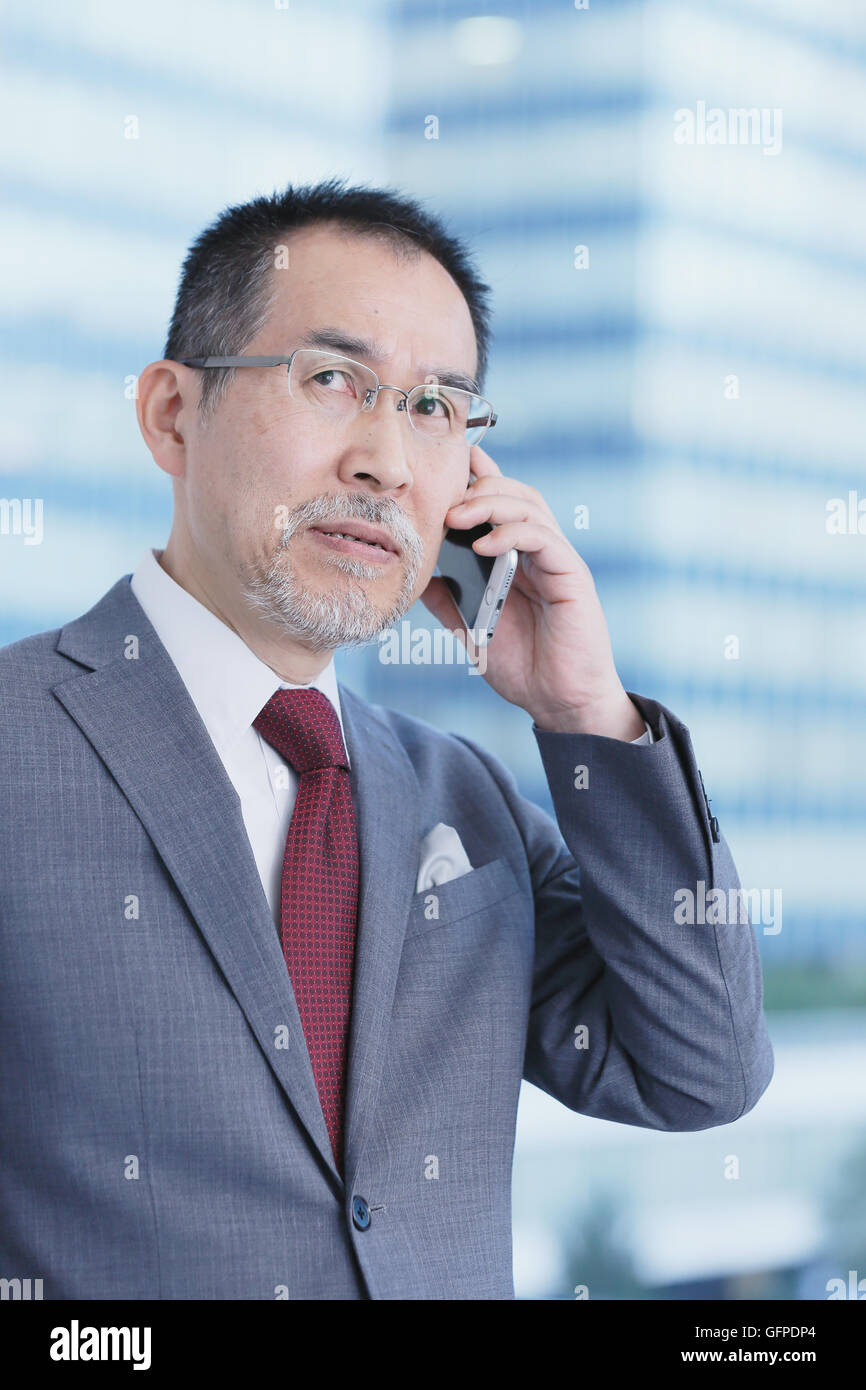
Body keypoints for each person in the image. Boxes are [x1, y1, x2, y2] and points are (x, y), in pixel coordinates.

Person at [0, 178, 773, 1300]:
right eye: (331, 380)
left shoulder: (462, 800)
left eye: (432, 408)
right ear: (172, 413)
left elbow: (701, 1069)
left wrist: (585, 714)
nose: (384, 462)